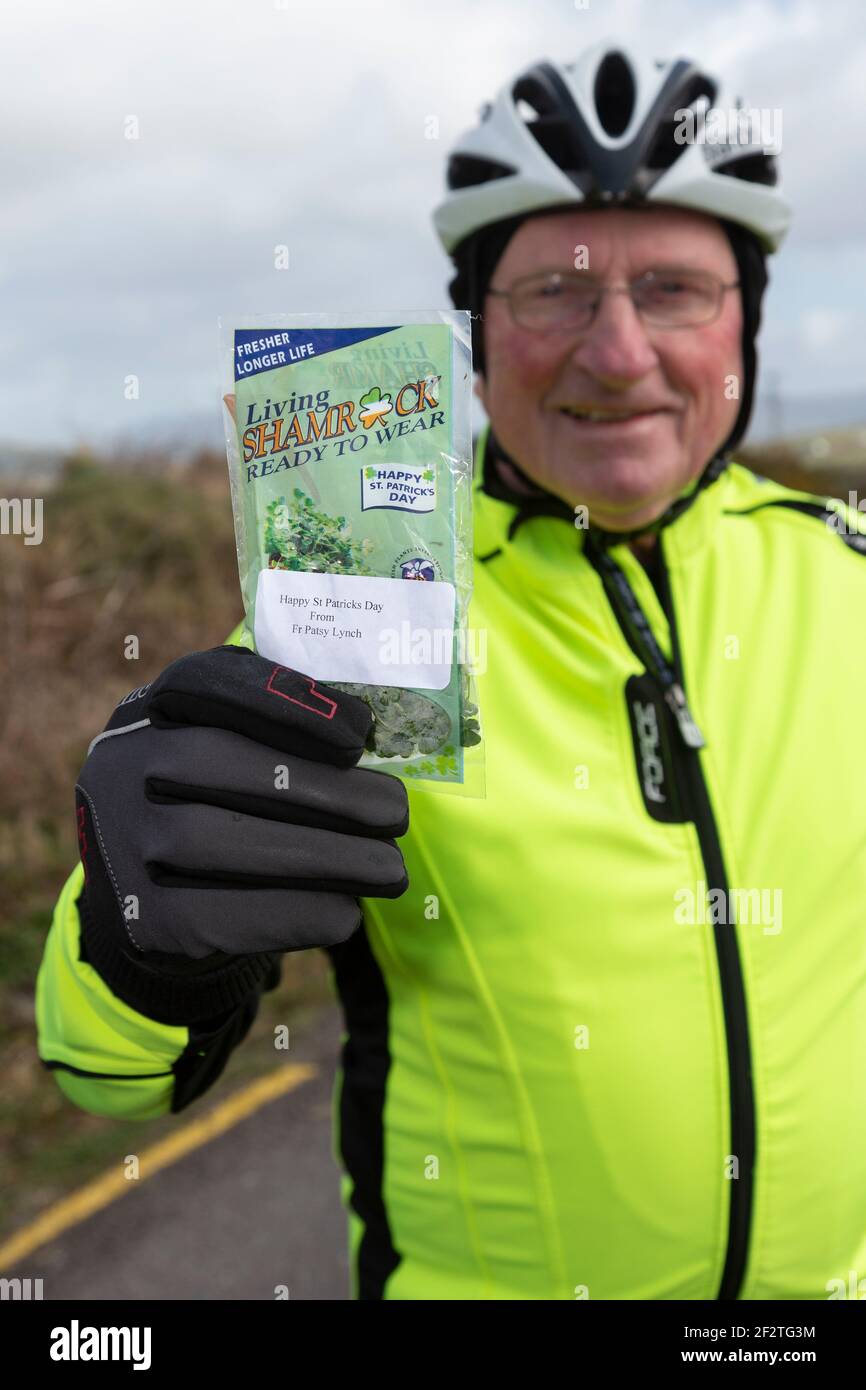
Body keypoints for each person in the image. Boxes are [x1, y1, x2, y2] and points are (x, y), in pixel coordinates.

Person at [36, 41, 866, 1301]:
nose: (619, 352)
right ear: (472, 335)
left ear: (745, 317)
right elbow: (111, 1076)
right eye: (554, 294)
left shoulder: (846, 579)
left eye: (676, 291)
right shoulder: (359, 615)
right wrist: (142, 946)